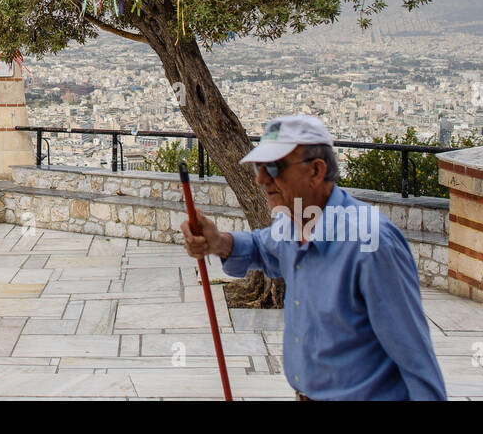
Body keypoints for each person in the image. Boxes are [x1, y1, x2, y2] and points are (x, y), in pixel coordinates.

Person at [181, 114, 446, 400]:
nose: (260, 179)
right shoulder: (294, 224)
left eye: (273, 166)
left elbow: (416, 361)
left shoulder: (371, 244)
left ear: (316, 171)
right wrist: (218, 242)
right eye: (259, 166)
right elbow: (261, 247)